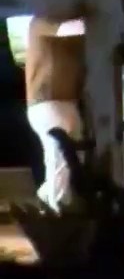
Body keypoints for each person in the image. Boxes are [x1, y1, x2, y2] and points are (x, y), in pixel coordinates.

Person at [21, 11, 86, 209]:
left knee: (63, 157)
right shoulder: (44, 21)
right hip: (51, 102)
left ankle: (47, 196)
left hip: (53, 103)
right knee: (61, 157)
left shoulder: (43, 24)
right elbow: (78, 28)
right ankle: (58, 207)